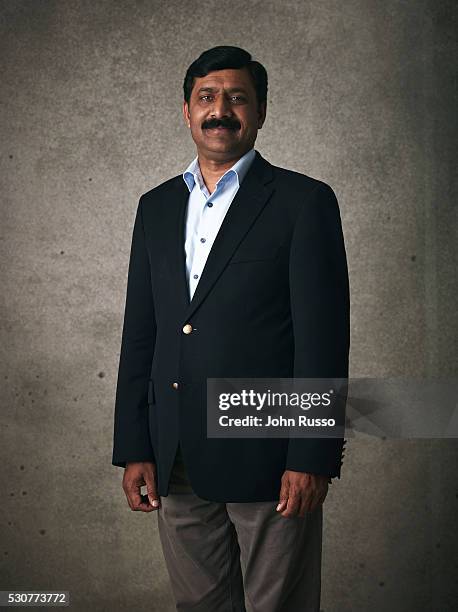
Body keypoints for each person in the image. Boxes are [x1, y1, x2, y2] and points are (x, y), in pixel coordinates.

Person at [112, 45, 350, 612]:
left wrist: (310, 456)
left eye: (238, 98)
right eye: (207, 97)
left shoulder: (303, 202)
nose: (221, 110)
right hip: (175, 456)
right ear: (187, 111)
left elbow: (322, 339)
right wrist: (134, 446)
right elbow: (142, 331)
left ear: (261, 112)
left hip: (269, 454)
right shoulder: (156, 207)